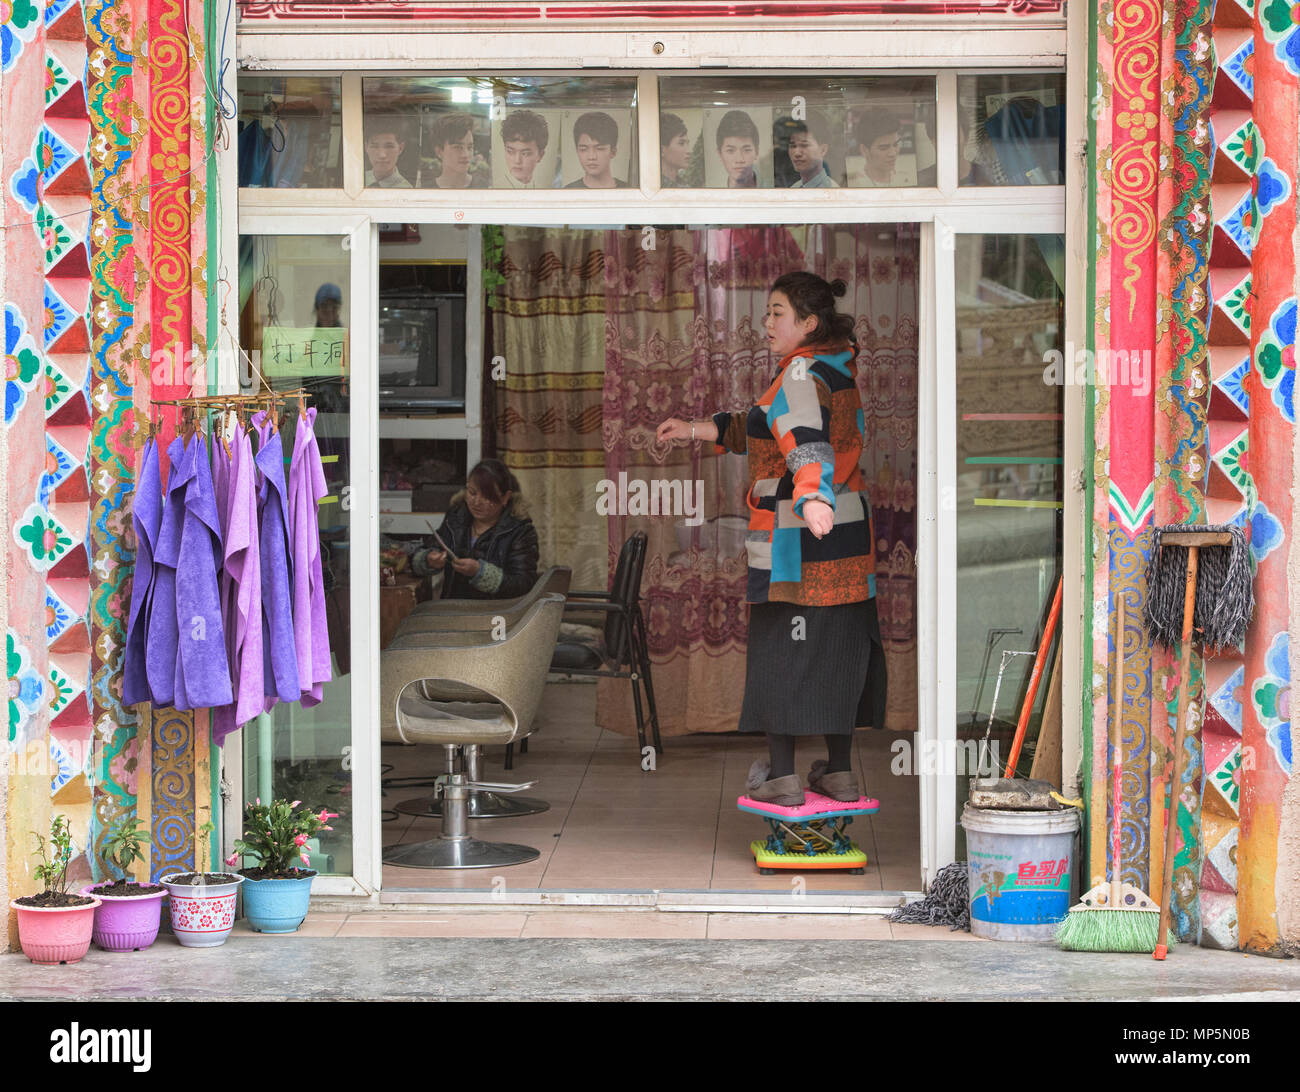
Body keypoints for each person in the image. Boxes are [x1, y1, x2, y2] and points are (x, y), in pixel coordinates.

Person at [655, 272, 886, 806]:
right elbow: (758, 426)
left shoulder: (801, 374)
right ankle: (839, 773)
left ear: (809, 324)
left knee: (782, 653)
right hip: (847, 548)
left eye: (777, 312)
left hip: (796, 545)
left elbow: (805, 440)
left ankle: (782, 777)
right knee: (835, 654)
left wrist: (812, 498)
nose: (766, 323)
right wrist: (692, 428)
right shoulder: (836, 369)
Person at [419, 459, 540, 600]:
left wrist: (480, 572)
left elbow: (523, 584)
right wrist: (428, 559)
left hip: (497, 614)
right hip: (453, 608)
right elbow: (427, 549)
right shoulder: (456, 517)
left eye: (487, 496)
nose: (476, 502)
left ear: (505, 498)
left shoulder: (520, 530)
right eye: (472, 493)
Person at [563, 112, 630, 189]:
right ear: (577, 151)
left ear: (613, 152)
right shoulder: (568, 191)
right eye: (583, 149)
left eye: (599, 149)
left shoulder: (629, 190)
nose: (591, 157)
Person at [429, 112, 488, 189]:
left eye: (470, 147)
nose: (465, 154)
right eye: (457, 147)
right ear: (439, 152)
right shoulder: (426, 189)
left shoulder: (484, 187)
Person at [787, 109, 839, 188]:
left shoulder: (832, 191)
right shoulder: (794, 188)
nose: (797, 153)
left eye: (804, 145)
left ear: (823, 150)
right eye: (793, 146)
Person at [501, 110, 550, 188]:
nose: (517, 161)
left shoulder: (546, 189)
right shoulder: (495, 187)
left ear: (540, 155)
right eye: (510, 152)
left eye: (525, 154)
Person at [853, 110, 902, 187]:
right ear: (864, 150)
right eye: (884, 148)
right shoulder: (855, 184)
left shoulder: (905, 179)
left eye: (895, 145)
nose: (893, 153)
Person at [715, 109, 760, 188]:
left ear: (756, 152)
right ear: (720, 154)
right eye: (730, 151)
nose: (739, 159)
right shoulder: (709, 193)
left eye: (746, 150)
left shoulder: (774, 189)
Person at [364, 118, 412, 188]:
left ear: (400, 148)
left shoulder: (406, 190)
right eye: (374, 146)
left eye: (389, 146)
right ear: (366, 147)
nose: (382, 155)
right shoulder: (358, 180)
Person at [660, 112, 690, 188]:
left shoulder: (685, 186)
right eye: (681, 143)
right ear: (661, 150)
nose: (688, 151)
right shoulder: (653, 187)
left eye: (687, 143)